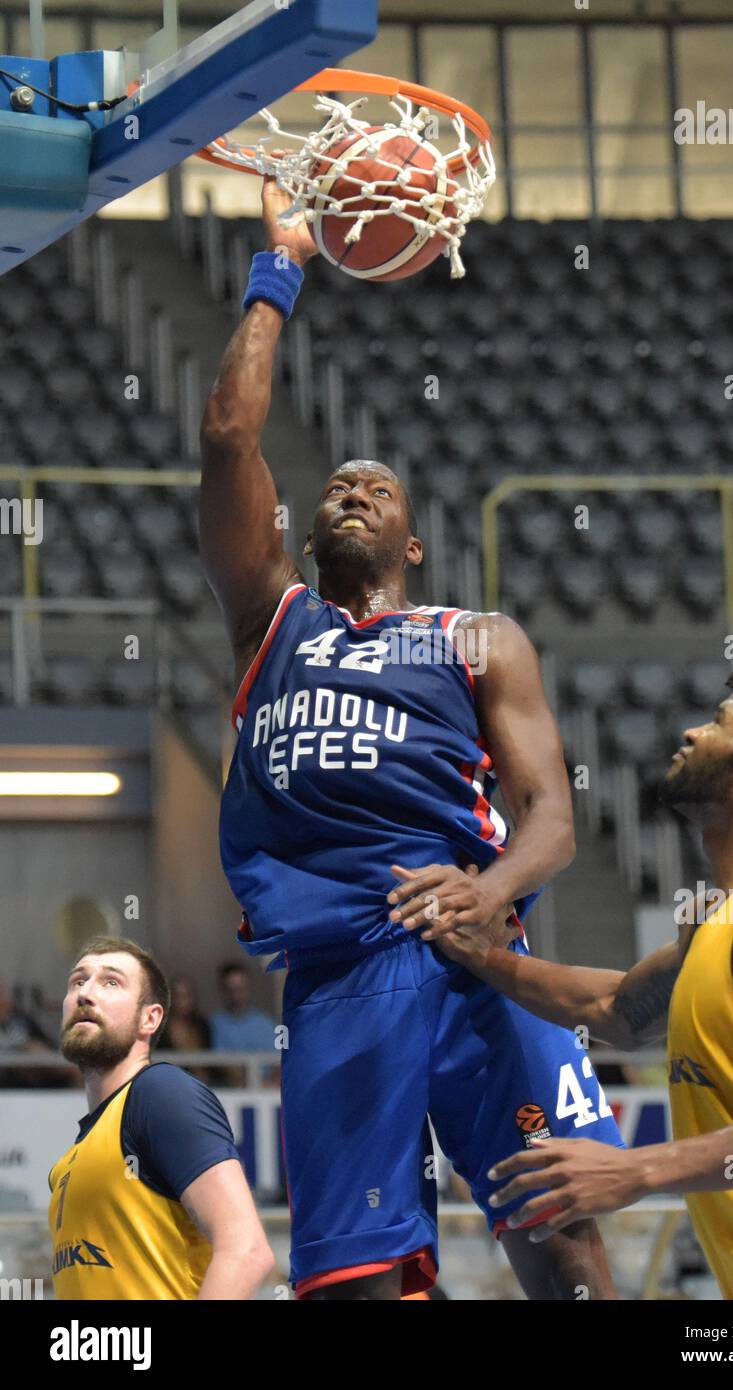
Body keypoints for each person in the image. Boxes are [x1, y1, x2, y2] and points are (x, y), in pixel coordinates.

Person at [197, 181, 623, 1300]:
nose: (349, 488)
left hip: (476, 958)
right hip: (338, 974)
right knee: (357, 1285)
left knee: (565, 1238)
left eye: (374, 488)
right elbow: (230, 435)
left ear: (415, 542)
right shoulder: (272, 621)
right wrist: (278, 270)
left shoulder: (476, 638)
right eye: (336, 483)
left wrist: (488, 896)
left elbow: (551, 821)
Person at [440, 663, 733, 1301]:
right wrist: (484, 955)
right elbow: (612, 1007)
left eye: (720, 724)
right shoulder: (728, 917)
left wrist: (637, 1169)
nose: (692, 732)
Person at [48, 937, 275, 1299]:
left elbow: (247, 1252)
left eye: (111, 982)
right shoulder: (66, 1164)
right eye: (78, 981)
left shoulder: (160, 1092)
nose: (85, 994)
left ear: (150, 1018)